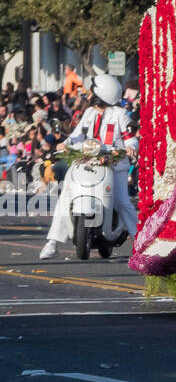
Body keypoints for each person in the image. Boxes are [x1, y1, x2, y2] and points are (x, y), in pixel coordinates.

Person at [39, 75, 136, 260]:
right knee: (65, 197)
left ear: (101, 93)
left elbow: (130, 137)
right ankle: (52, 243)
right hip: (85, 160)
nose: (89, 94)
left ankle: (140, 244)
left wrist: (131, 147)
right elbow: (76, 136)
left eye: (92, 90)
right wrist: (64, 144)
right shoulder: (90, 113)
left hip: (114, 164)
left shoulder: (120, 114)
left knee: (123, 202)